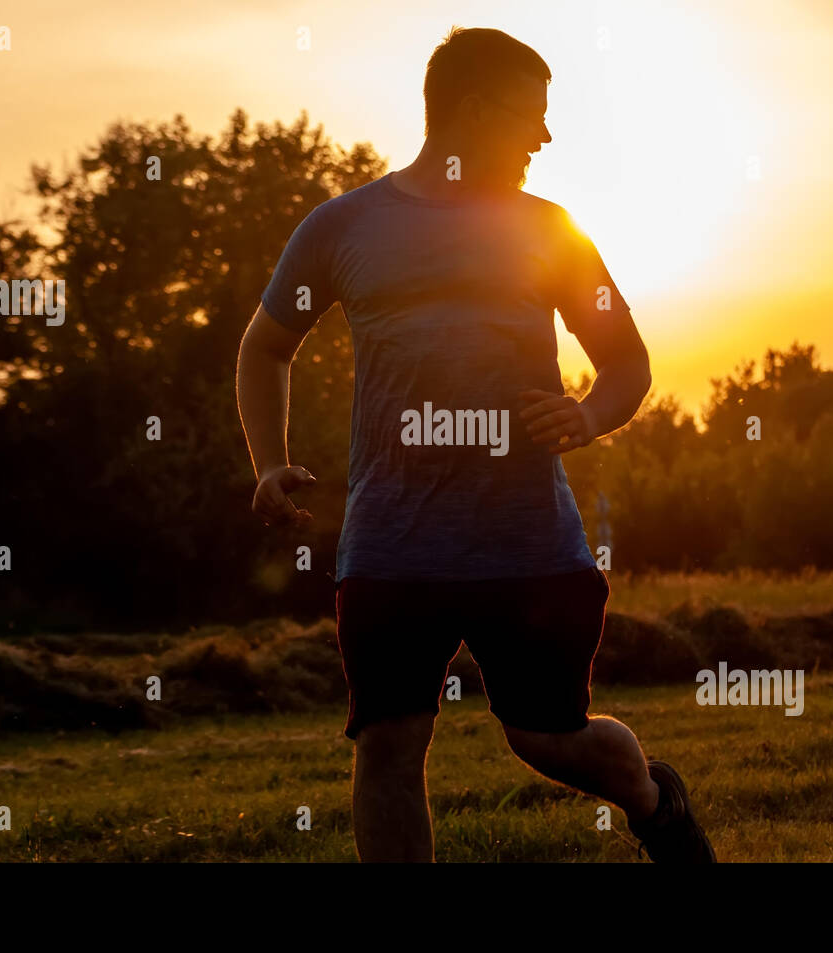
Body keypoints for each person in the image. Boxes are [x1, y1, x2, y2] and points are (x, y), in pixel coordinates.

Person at [236, 26, 714, 864]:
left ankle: (651, 798)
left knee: (547, 738)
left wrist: (589, 415)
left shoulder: (552, 229)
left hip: (526, 541)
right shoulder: (343, 227)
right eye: (532, 115)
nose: (544, 136)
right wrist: (267, 461)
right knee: (388, 744)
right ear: (475, 108)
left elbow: (628, 364)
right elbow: (266, 345)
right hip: (390, 543)